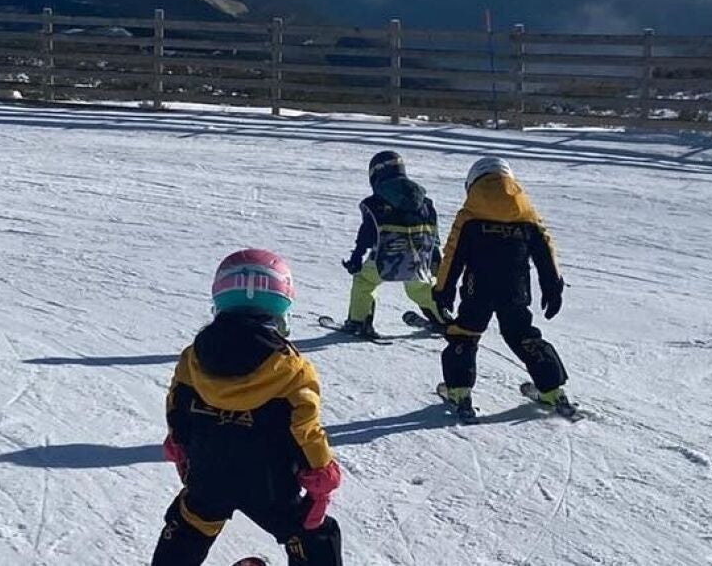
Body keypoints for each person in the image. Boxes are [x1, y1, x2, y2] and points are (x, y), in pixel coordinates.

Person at [152, 249, 345, 566]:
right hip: (270, 483)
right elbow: (304, 430)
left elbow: (177, 409)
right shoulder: (292, 368)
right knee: (314, 534)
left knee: (189, 521)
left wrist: (181, 446)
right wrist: (322, 475)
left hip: (209, 472)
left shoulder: (193, 357)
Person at [432, 157, 573, 422]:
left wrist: (443, 291)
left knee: (465, 333)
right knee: (523, 334)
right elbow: (546, 252)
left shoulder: (470, 215)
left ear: (473, 183)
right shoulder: (526, 214)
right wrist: (553, 287)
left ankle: (460, 391)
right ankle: (553, 391)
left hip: (478, 289)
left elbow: (453, 255)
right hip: (515, 289)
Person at [334, 150, 446, 338]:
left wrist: (357, 257)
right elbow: (432, 231)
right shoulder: (425, 202)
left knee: (365, 281)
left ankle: (359, 322)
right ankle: (442, 319)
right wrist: (435, 256)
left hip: (387, 258)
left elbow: (367, 234)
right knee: (419, 288)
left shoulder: (374, 202)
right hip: (418, 258)